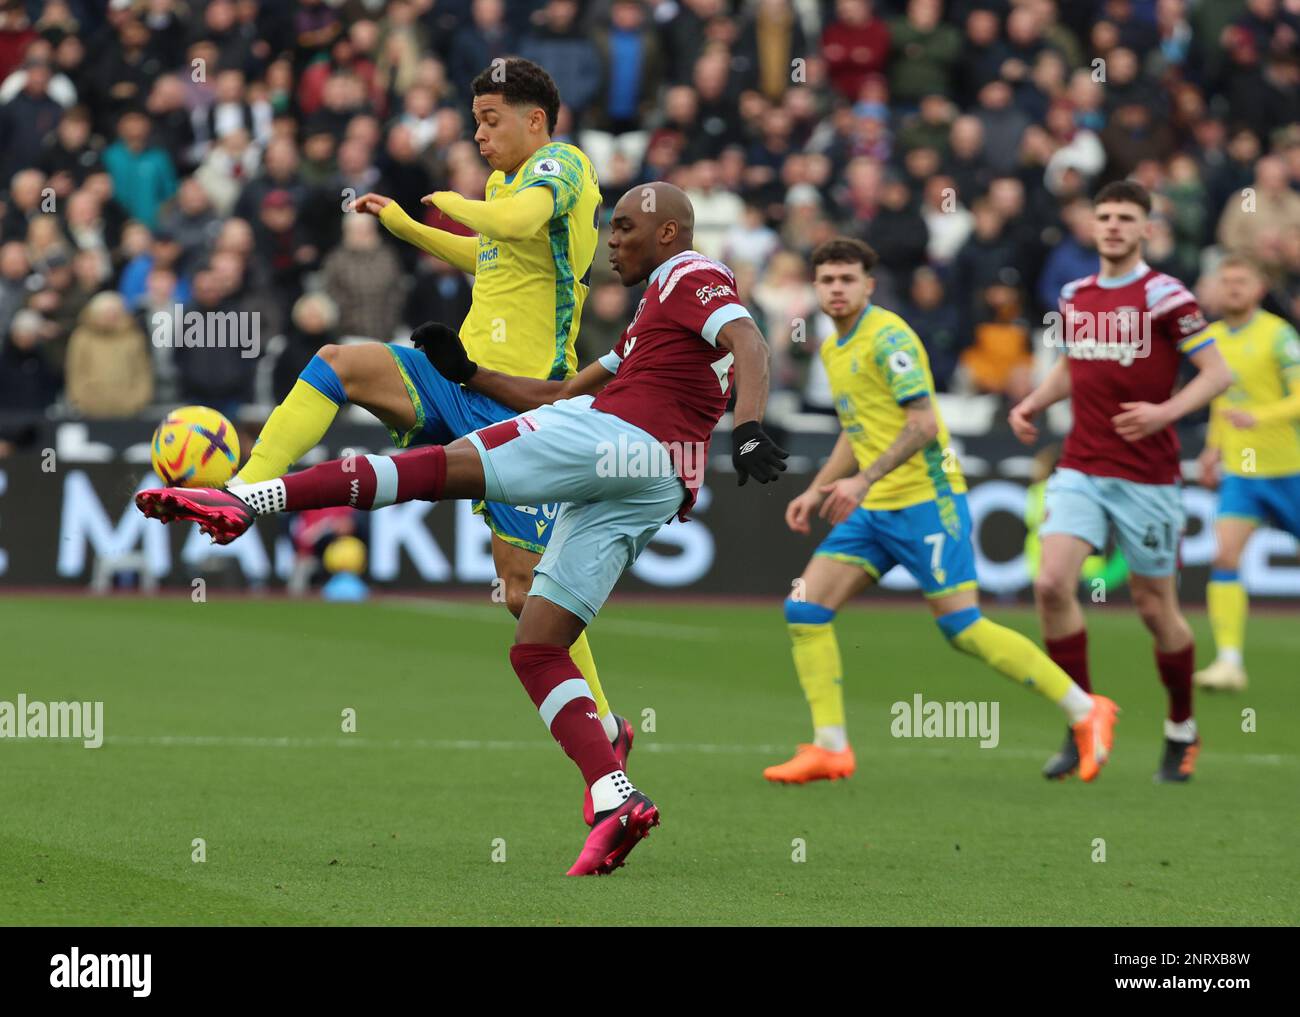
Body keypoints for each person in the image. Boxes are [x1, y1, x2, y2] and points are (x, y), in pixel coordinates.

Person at [134, 182, 788, 876]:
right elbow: (559, 392)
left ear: (668, 232)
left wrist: (748, 427)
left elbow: (749, 339)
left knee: (439, 468)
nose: (613, 242)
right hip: (656, 484)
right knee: (536, 644)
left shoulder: (690, 272)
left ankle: (249, 501)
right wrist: (469, 371)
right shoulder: (648, 322)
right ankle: (612, 793)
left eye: (625, 228)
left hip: (621, 440)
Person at [222, 58, 626, 819]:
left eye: (489, 120)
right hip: (461, 379)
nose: (478, 135)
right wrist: (411, 227)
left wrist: (449, 201)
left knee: (527, 595)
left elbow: (506, 226)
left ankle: (604, 733)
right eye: (474, 120)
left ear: (535, 120)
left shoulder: (564, 169)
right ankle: (244, 489)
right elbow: (496, 253)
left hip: (525, 409)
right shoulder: (510, 186)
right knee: (337, 362)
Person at [764, 237, 1116, 786]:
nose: (836, 289)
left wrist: (861, 481)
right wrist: (819, 488)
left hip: (926, 501)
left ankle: (1085, 709)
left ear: (868, 285)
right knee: (805, 610)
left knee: (963, 627)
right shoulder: (834, 348)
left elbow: (924, 424)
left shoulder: (889, 338)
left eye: (846, 279)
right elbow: (858, 431)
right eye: (827, 280)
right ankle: (830, 747)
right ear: (816, 287)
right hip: (873, 506)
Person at [1008, 181, 1231, 783]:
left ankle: (1181, 727)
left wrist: (1165, 413)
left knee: (1156, 609)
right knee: (1052, 583)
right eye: (1103, 216)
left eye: (1124, 218)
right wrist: (1033, 401)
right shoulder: (1076, 293)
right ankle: (1084, 717)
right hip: (1082, 463)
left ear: (1145, 229)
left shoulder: (1166, 295)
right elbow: (1073, 366)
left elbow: (1217, 372)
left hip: (1148, 476)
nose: (1111, 225)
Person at [1195, 255, 1300, 692]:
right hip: (1241, 471)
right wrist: (1211, 450)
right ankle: (1229, 662)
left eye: (1241, 281)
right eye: (1226, 281)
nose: (1232, 288)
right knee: (1224, 557)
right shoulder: (1211, 339)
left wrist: (1260, 417)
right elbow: (1221, 401)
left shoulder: (1279, 335)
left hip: (1289, 468)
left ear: (1259, 290)